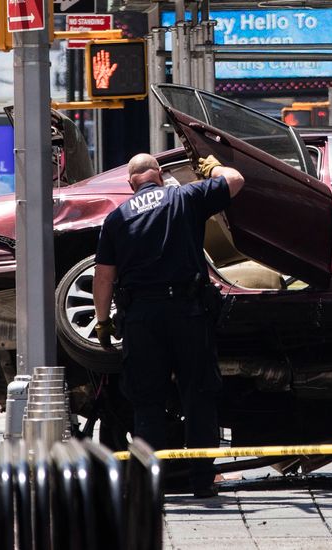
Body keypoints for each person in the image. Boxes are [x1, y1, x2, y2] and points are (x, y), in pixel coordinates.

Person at [91, 153, 244, 498]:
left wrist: (102, 323)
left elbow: (103, 278)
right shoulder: (185, 197)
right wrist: (212, 167)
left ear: (131, 183)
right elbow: (236, 180)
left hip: (142, 320)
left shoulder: (117, 218)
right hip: (188, 313)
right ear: (159, 176)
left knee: (147, 403)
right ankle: (203, 483)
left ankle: (151, 487)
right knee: (198, 397)